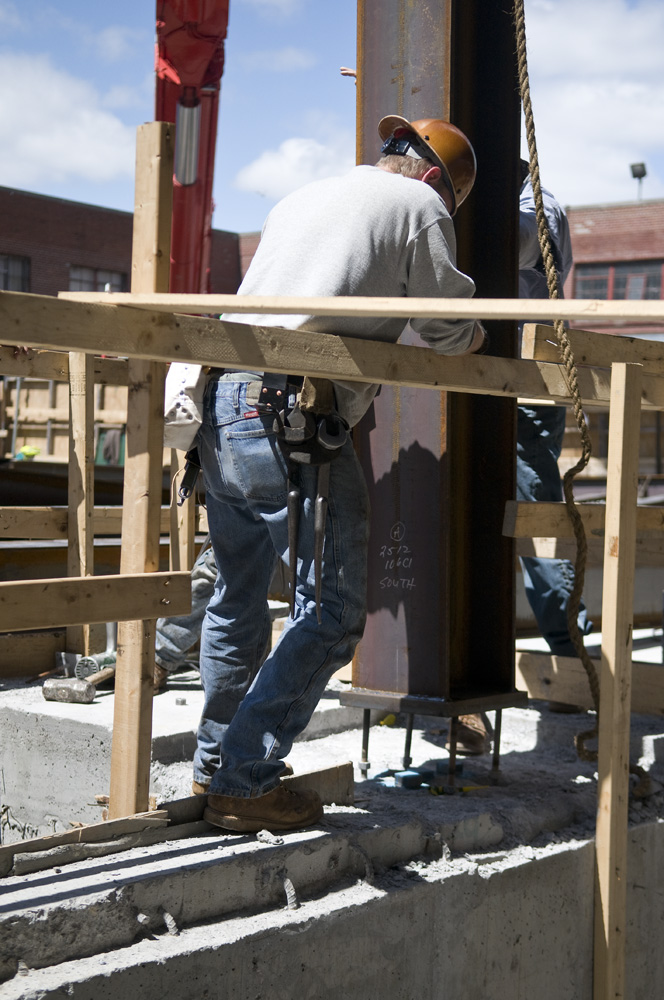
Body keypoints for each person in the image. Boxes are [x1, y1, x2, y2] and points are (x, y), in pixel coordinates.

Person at [195, 114, 488, 832]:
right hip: (288, 413)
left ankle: (214, 765)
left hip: (225, 400)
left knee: (236, 596)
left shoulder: (302, 196)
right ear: (434, 182)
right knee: (330, 612)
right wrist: (483, 335)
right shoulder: (422, 207)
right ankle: (243, 776)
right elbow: (448, 329)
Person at [454, 162, 593, 755]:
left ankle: (568, 660)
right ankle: (456, 678)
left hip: (528, 381)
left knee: (533, 518)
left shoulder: (538, 205)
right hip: (467, 370)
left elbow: (506, 244)